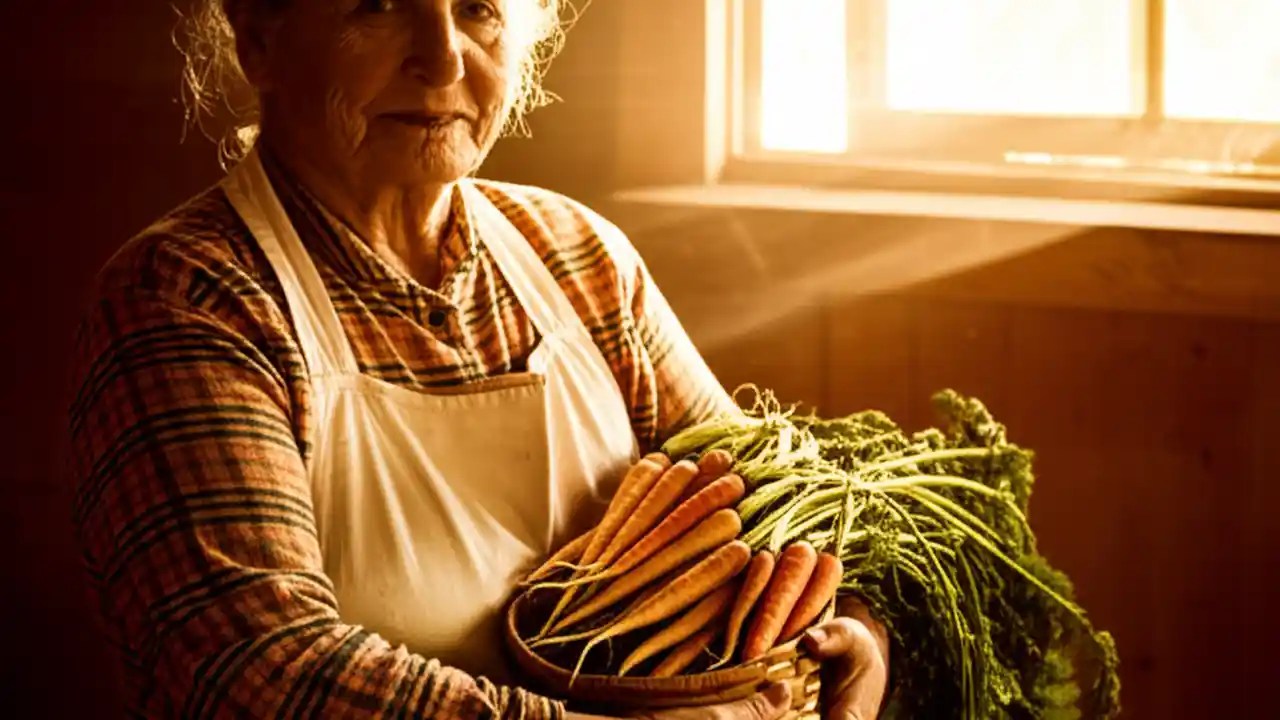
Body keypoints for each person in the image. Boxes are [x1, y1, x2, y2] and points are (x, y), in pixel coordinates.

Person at [66, 1, 889, 718]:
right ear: (257, 41)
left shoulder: (577, 256)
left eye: (478, 9)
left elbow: (776, 504)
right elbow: (257, 674)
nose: (444, 57)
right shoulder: (189, 296)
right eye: (378, 6)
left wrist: (858, 625)